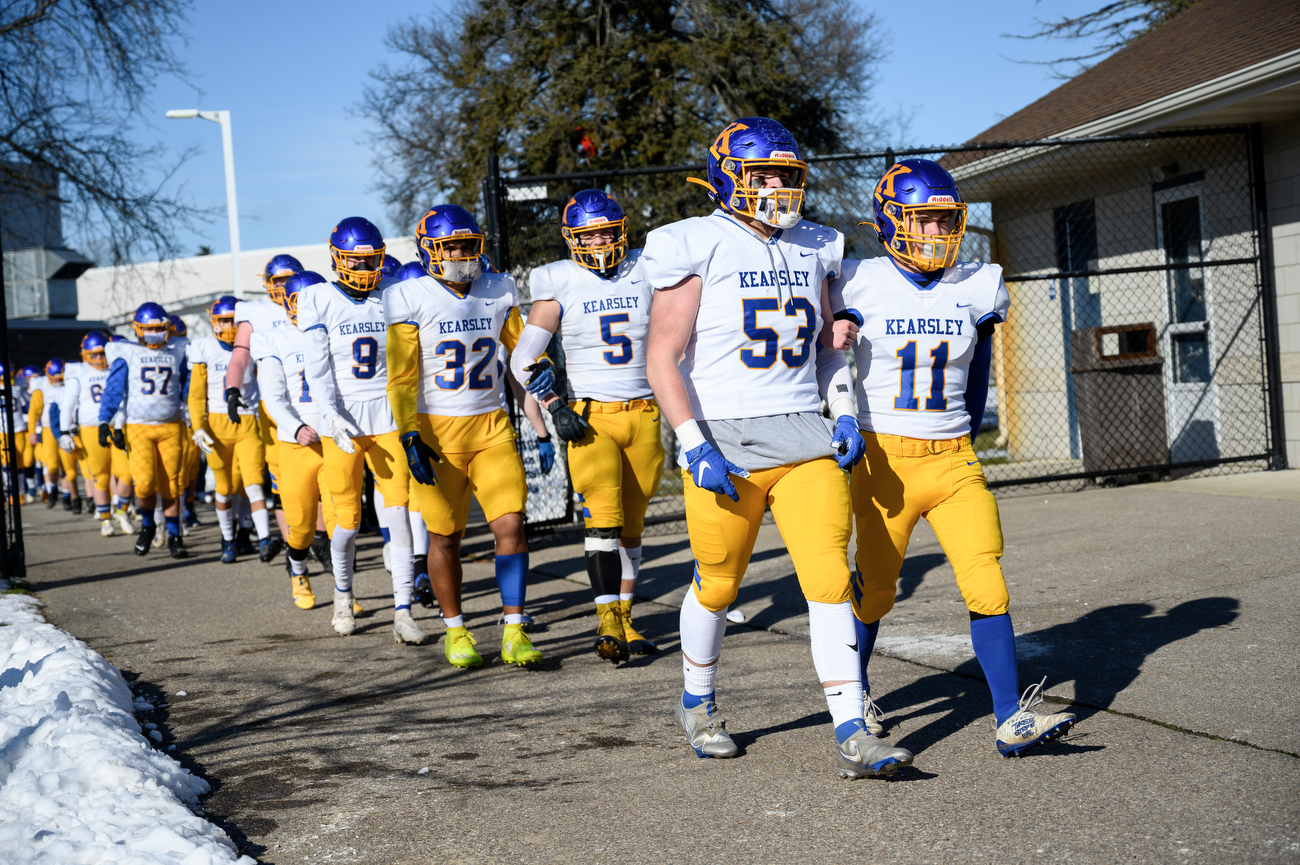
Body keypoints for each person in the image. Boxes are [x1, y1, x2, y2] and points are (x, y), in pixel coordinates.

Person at [643, 116, 912, 779]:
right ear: (726, 178)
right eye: (761, 175)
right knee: (719, 582)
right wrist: (691, 442)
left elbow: (828, 349)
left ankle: (852, 726)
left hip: (802, 433)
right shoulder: (694, 242)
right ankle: (697, 702)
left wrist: (843, 411)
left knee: (827, 578)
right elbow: (661, 358)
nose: (776, 187)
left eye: (786, 175)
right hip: (724, 438)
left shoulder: (817, 244)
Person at [831, 158, 1077, 758]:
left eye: (946, 220)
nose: (938, 233)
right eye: (924, 220)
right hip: (883, 459)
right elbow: (831, 360)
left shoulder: (978, 282)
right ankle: (854, 694)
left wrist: (964, 435)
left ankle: (1009, 718)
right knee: (878, 592)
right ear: (889, 221)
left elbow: (978, 378)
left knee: (986, 581)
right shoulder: (857, 279)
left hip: (955, 458)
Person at [383, 204, 543, 668]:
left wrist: (544, 374)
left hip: (490, 425)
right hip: (437, 431)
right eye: (449, 246)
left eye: (466, 245)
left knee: (510, 524)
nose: (459, 253)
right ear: (429, 251)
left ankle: (514, 628)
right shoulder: (409, 295)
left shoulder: (498, 287)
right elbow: (401, 376)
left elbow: (522, 350)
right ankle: (455, 630)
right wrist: (409, 434)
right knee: (444, 537)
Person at [512, 188, 664, 663]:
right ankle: (606, 623)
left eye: (605, 231)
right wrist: (554, 402)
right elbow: (522, 359)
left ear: (621, 230)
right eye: (588, 234)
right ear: (571, 238)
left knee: (634, 528)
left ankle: (626, 615)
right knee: (604, 520)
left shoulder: (648, 267)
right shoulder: (560, 280)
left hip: (645, 414)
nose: (599, 243)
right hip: (591, 416)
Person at [298, 217, 421, 643]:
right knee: (347, 523)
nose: (365, 267)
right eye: (356, 260)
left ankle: (403, 610)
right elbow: (317, 370)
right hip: (343, 423)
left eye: (371, 260)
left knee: (400, 513)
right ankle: (342, 594)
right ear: (337, 258)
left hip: (387, 419)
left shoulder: (394, 294)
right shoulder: (319, 298)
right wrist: (330, 416)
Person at [252, 269, 341, 609]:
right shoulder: (272, 337)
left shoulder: (337, 329)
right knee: (301, 524)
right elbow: (273, 397)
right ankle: (298, 570)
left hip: (335, 441)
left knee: (341, 520)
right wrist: (296, 427)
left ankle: (344, 593)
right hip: (296, 444)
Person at [189, 296, 277, 563]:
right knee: (224, 487)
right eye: (223, 320)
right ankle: (228, 539)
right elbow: (195, 395)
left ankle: (263, 539)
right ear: (213, 321)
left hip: (248, 421)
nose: (228, 326)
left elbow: (268, 387)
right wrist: (198, 427)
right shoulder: (204, 347)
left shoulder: (255, 342)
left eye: (232, 320)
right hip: (216, 426)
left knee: (252, 484)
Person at [98, 302, 190, 558]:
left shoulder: (179, 350)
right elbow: (114, 388)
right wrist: (105, 420)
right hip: (138, 427)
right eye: (149, 329)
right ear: (137, 329)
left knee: (172, 485)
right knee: (145, 483)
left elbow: (187, 385)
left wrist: (191, 412)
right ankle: (148, 526)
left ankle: (174, 535)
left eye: (159, 328)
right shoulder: (127, 352)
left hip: (171, 426)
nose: (154, 334)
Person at [225, 254, 302, 552]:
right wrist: (232, 388)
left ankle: (323, 538)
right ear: (267, 283)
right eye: (277, 280)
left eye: (288, 278)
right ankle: (292, 542)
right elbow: (240, 356)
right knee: (281, 475)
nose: (283, 286)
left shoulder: (313, 300)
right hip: (274, 405)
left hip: (314, 400)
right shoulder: (256, 312)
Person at [66, 332, 116, 535]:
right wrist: (65, 430)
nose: (98, 358)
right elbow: (68, 405)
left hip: (117, 426)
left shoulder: (116, 368)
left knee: (125, 473)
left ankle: (121, 508)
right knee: (100, 475)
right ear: (85, 354)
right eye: (93, 355)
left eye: (102, 353)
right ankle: (105, 518)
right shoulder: (78, 372)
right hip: (91, 427)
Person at [27, 358, 81, 513]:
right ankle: (52, 491)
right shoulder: (41, 386)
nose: (58, 382)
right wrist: (32, 431)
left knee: (69, 468)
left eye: (60, 378)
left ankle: (66, 496)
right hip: (48, 430)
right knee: (51, 465)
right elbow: (34, 411)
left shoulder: (71, 382)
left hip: (69, 429)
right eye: (54, 378)